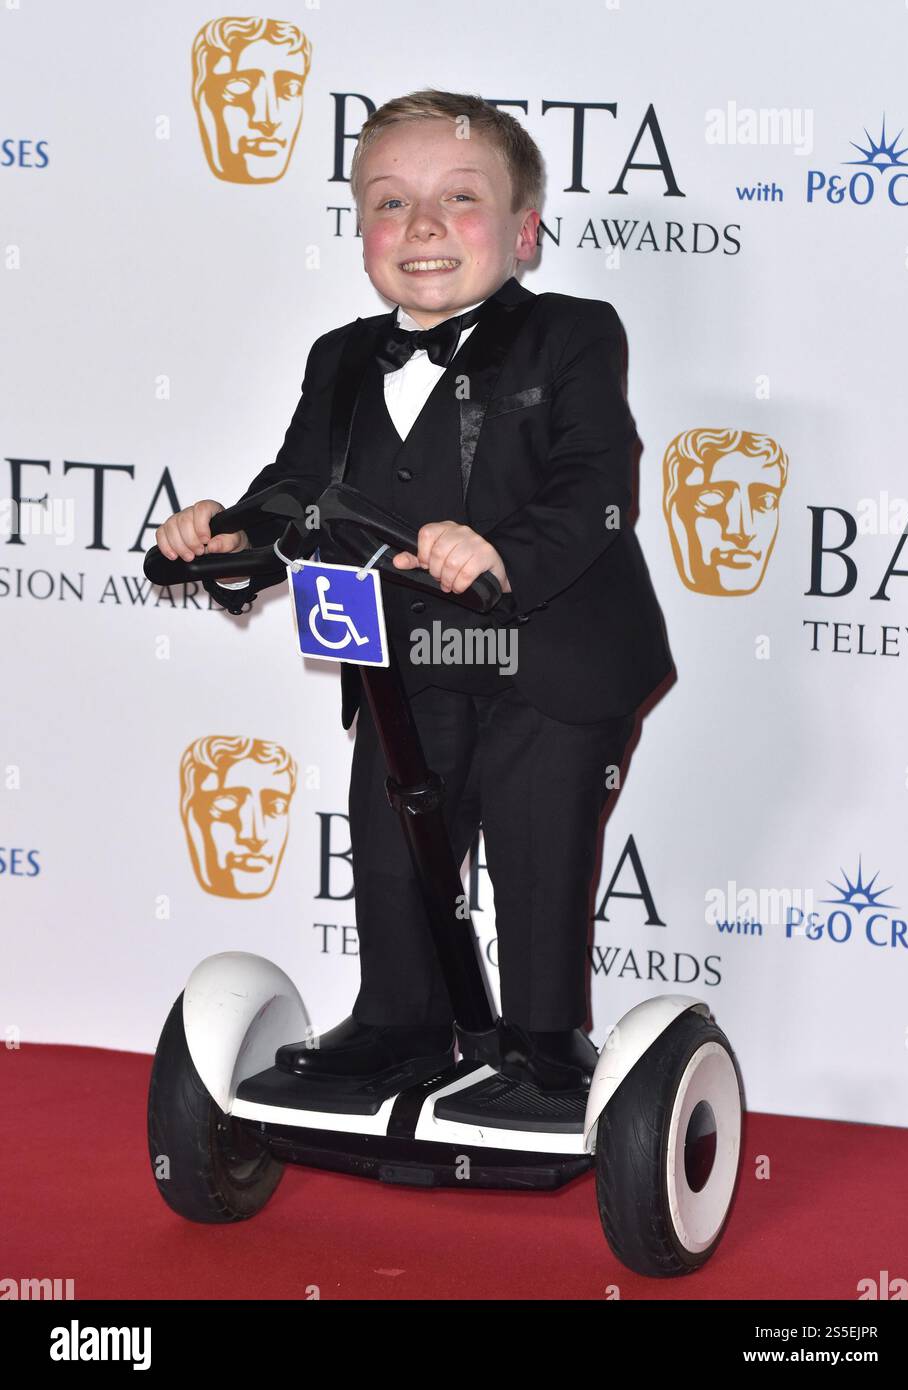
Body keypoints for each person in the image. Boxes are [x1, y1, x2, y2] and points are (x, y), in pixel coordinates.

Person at [154, 88, 674, 1092]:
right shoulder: (342, 357)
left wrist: (499, 552)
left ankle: (541, 1041)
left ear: (523, 232)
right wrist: (221, 538)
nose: (422, 226)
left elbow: (593, 484)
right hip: (414, 653)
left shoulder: (571, 334)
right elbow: (296, 493)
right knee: (394, 833)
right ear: (360, 232)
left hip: (552, 649)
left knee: (534, 835)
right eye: (390, 203)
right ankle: (397, 1024)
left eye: (459, 199)